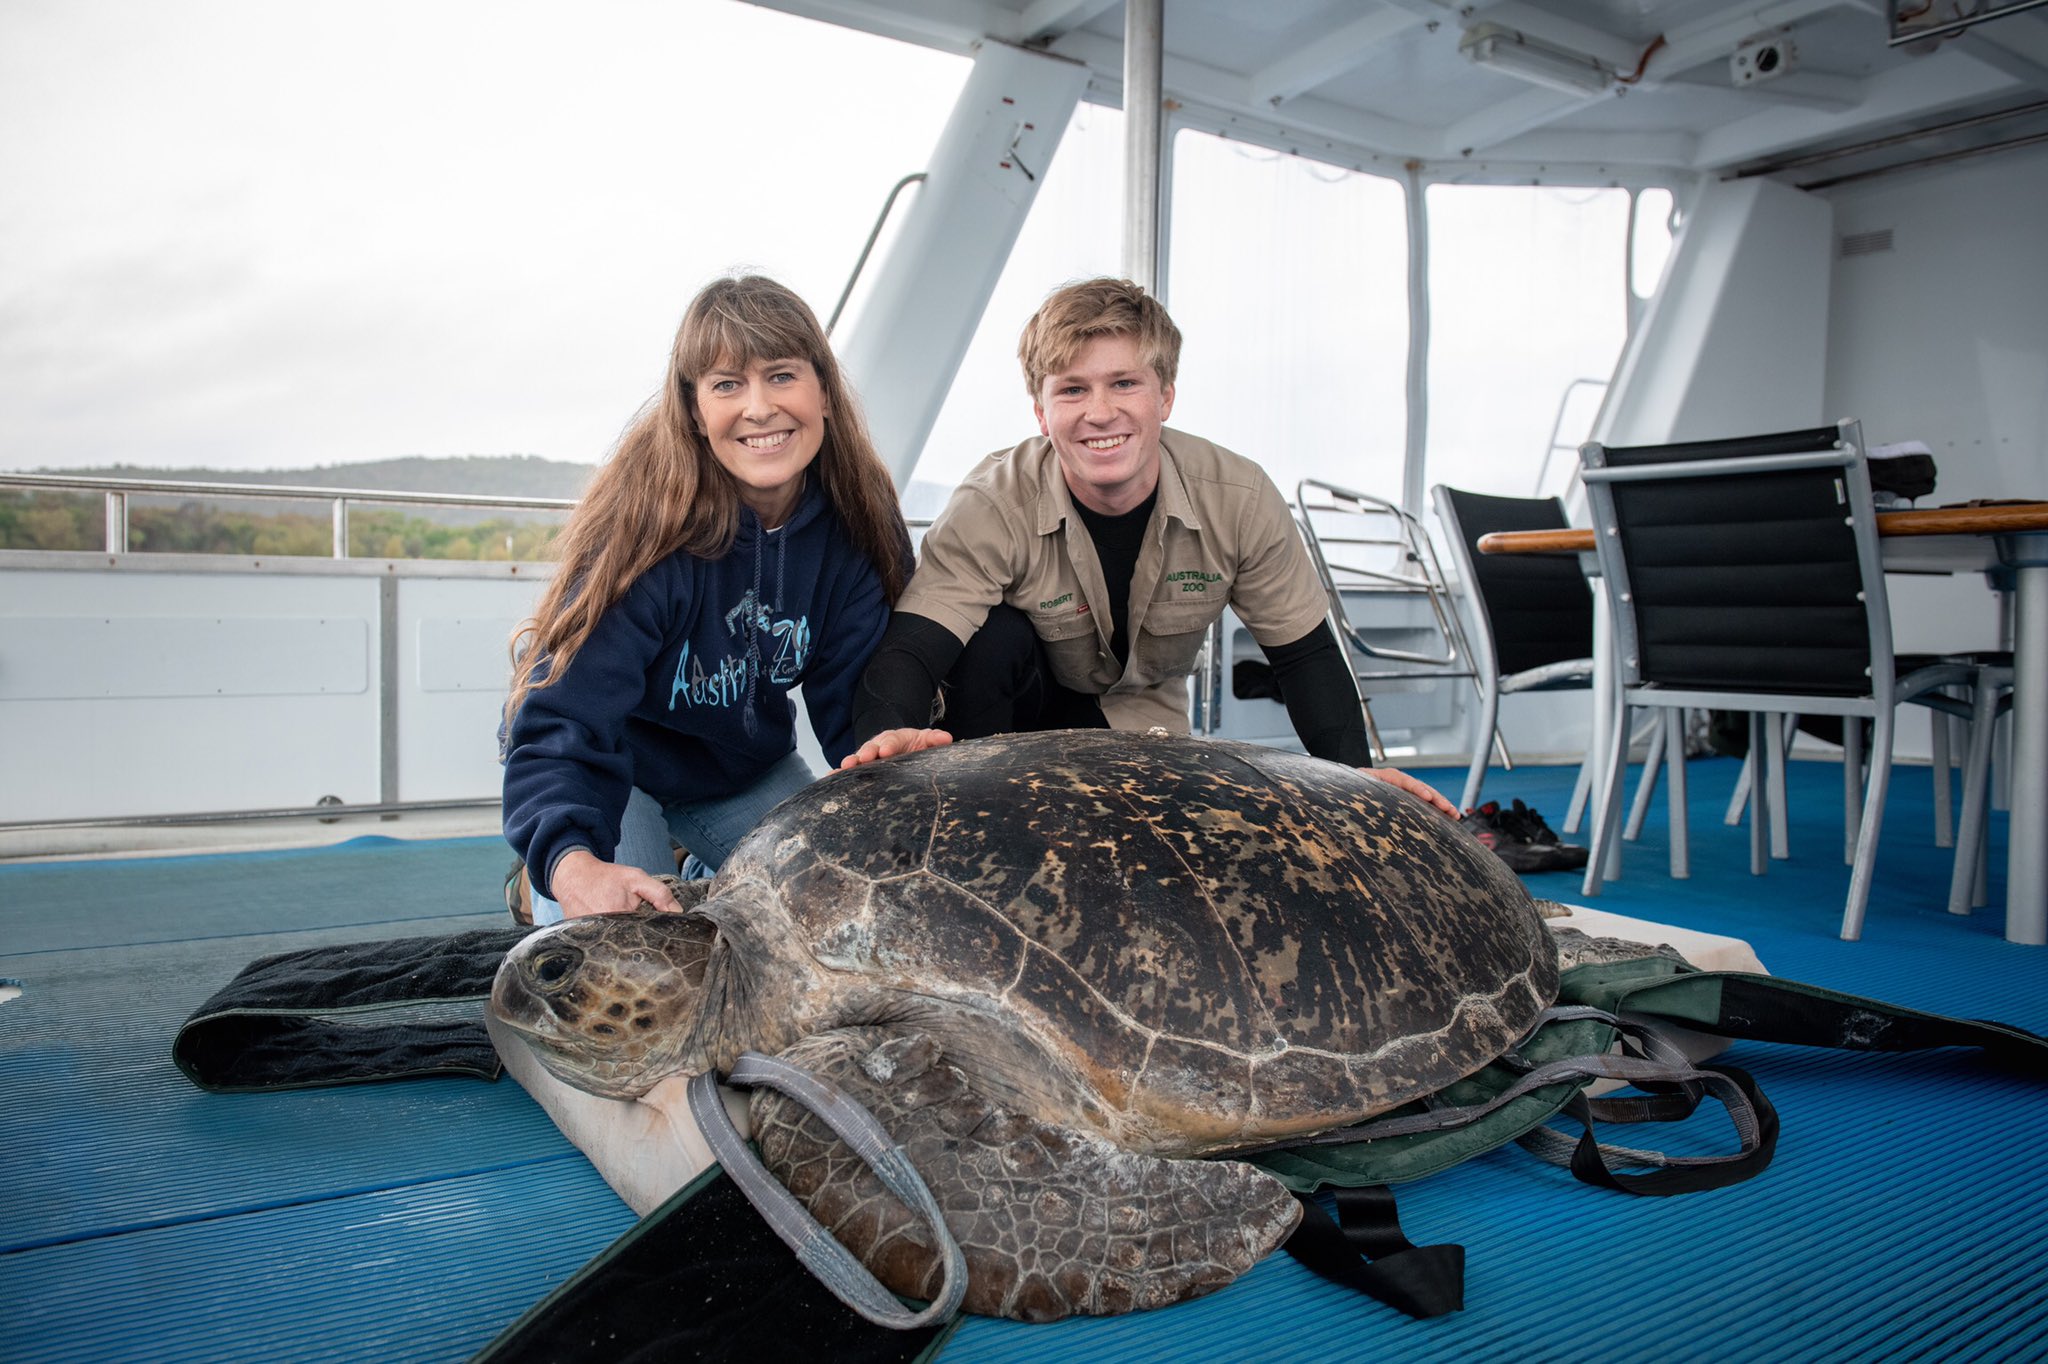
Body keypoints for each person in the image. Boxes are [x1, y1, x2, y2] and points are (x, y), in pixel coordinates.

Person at [843, 276, 1455, 817]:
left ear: (1165, 396)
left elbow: (1304, 657)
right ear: (1040, 410)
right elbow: (913, 651)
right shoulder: (992, 501)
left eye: (1124, 383)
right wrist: (888, 742)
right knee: (992, 636)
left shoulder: (1238, 497)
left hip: (1143, 728)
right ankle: (977, 830)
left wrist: (1355, 783)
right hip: (1002, 731)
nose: (1100, 412)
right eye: (1073, 390)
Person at [502, 274, 912, 922]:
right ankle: (539, 878)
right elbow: (564, 712)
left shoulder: (856, 517)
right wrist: (571, 859)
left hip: (744, 771)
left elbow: (860, 695)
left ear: (825, 392)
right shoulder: (647, 525)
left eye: (781, 375)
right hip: (619, 771)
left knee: (841, 917)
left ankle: (706, 870)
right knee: (626, 954)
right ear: (694, 410)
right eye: (727, 384)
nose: (758, 407)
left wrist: (886, 744)